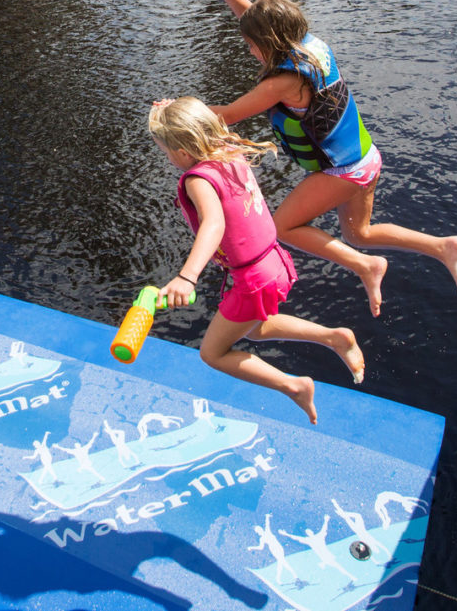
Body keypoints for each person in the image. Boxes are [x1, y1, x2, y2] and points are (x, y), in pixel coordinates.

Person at [202, 0, 457, 316]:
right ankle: (444, 247)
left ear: (267, 43)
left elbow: (227, 114)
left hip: (343, 170)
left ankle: (367, 266)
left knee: (283, 226)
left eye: (251, 45)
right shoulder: (310, 45)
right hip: (365, 157)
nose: (250, 51)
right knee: (358, 234)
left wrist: (175, 108)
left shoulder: (282, 82)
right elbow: (254, 16)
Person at [151, 97, 364, 424]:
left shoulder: (197, 179)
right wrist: (173, 110)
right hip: (273, 262)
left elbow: (214, 223)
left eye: (166, 151)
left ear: (182, 152)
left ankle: (294, 386)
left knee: (213, 353)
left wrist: (187, 276)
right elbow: (207, 124)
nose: (168, 158)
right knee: (256, 329)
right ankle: (334, 337)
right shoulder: (227, 151)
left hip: (254, 278)